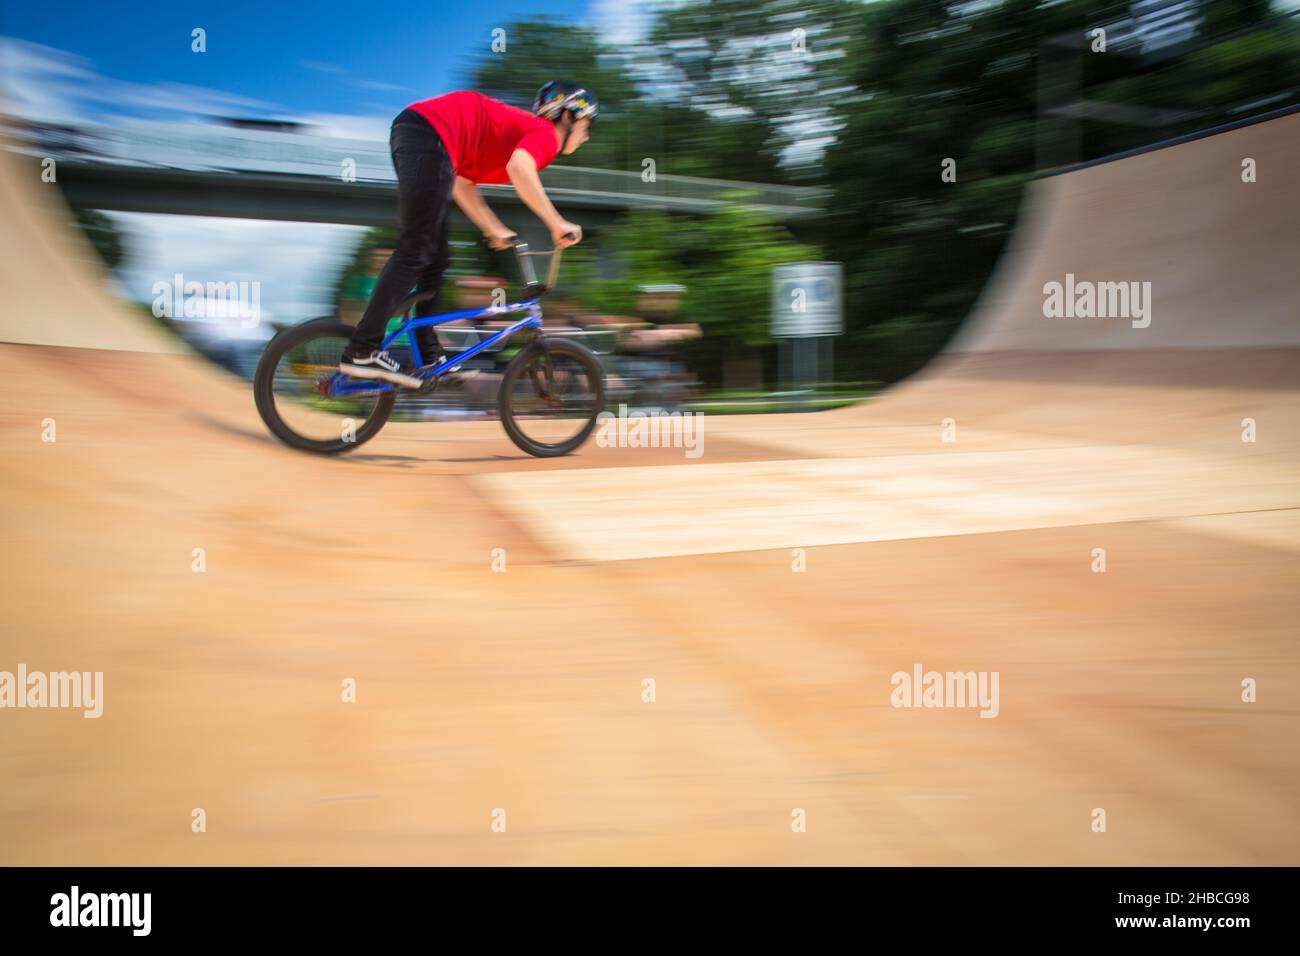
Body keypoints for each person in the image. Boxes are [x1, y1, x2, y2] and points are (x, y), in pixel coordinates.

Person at [339, 81, 598, 388]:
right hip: (428, 135)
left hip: (425, 136)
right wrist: (556, 222)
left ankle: (427, 356)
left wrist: (492, 227)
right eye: (586, 123)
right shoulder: (544, 134)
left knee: (435, 259)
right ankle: (363, 348)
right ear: (567, 117)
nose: (587, 135)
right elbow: (521, 169)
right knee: (416, 249)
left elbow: (461, 181)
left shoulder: (518, 133)